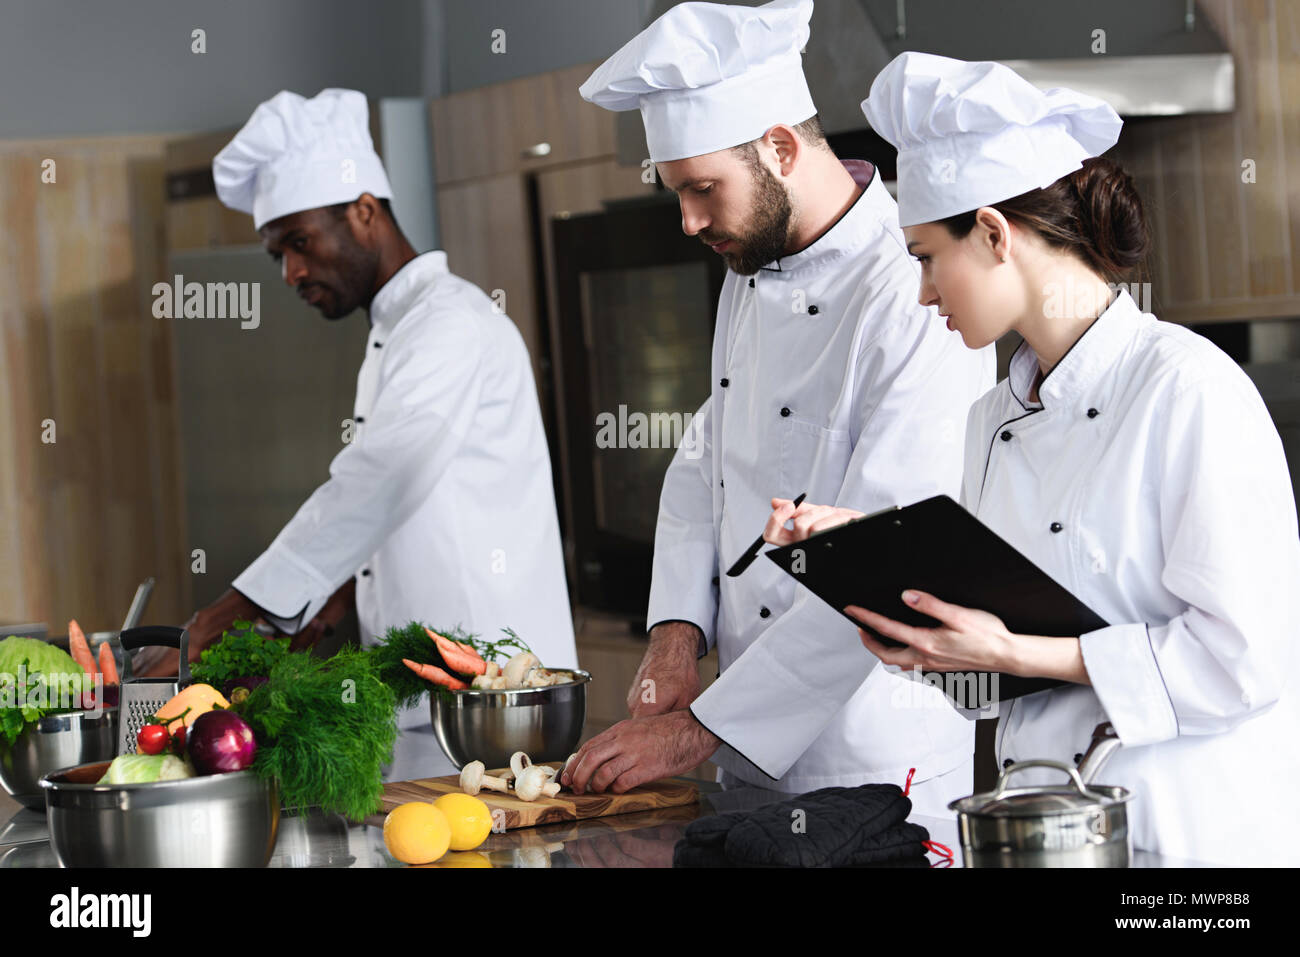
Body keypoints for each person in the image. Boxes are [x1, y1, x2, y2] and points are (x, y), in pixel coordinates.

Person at [765, 52, 1300, 865]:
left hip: (1190, 842)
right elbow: (1004, 672)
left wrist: (1009, 651)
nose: (924, 293)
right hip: (1050, 828)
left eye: (923, 257)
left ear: (991, 232)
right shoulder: (993, 417)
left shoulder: (1186, 390)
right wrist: (902, 606)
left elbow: (1247, 659)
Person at [563, 0, 994, 814]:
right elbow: (708, 458)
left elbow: (886, 561)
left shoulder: (915, 293)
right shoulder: (750, 271)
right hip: (745, 755)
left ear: (781, 148)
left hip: (872, 768)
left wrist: (696, 730)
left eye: (701, 190)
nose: (689, 221)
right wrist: (677, 638)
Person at [153, 88, 577, 781]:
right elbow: (418, 498)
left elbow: (382, 477)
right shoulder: (395, 333)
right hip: (426, 702)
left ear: (364, 212)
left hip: (495, 707)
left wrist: (230, 610)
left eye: (299, 242)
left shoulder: (448, 326)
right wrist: (336, 594)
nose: (290, 271)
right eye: (276, 255)